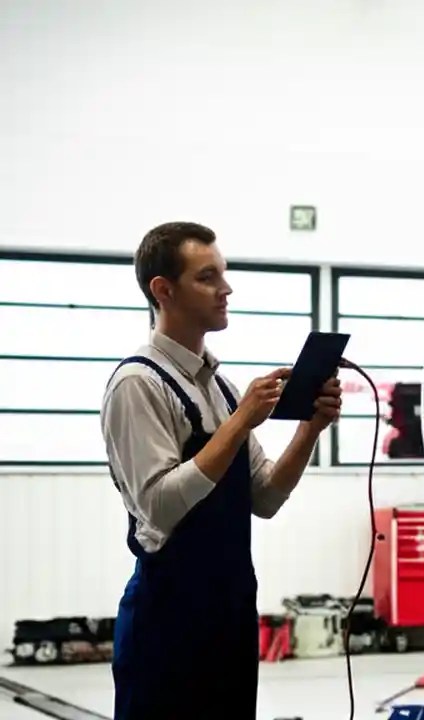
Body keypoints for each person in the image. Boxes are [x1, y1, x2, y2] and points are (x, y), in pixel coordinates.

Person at [100, 221, 342, 719]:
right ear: (163, 291)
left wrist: (310, 430)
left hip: (229, 614)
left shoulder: (224, 388)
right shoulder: (137, 385)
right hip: (166, 621)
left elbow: (266, 498)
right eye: (207, 277)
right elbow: (161, 506)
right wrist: (240, 423)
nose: (226, 289)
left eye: (223, 274)